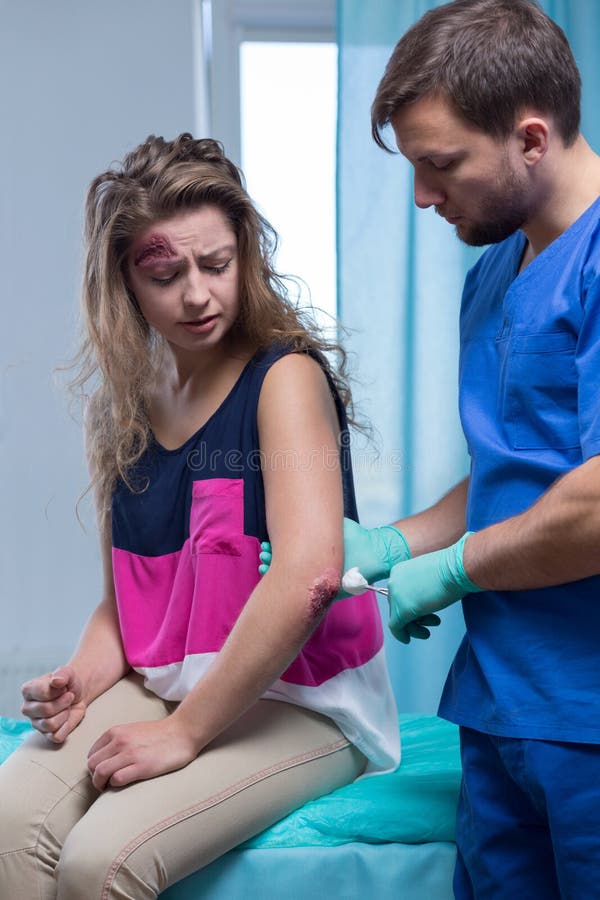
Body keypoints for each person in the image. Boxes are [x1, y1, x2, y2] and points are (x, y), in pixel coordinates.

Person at [0, 133, 400, 899]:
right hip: (168, 682)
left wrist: (182, 734)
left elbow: (308, 577)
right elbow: (126, 597)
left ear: (246, 254)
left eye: (217, 265)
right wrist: (80, 678)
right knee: (10, 821)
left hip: (302, 699)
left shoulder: (284, 380)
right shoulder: (119, 410)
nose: (196, 295)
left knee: (99, 862)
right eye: (164, 273)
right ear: (125, 279)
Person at [265, 0, 600, 896]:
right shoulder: (496, 270)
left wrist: (455, 570)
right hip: (498, 704)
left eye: (439, 164)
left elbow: (597, 501)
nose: (422, 196)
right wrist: (392, 546)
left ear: (531, 138)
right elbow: (518, 469)